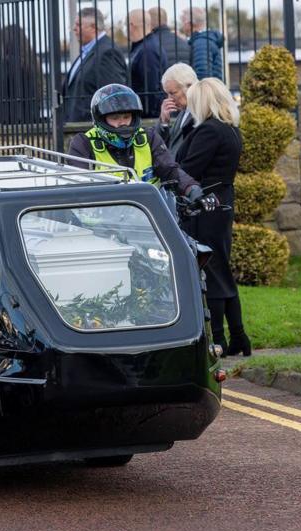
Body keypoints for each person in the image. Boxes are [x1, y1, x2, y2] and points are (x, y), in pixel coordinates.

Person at [173, 78, 248, 356]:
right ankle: (238, 336)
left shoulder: (208, 131)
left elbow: (188, 169)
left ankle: (220, 339)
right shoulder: (230, 129)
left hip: (205, 206)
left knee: (212, 271)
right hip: (222, 201)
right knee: (221, 269)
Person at [65, 84, 208, 207]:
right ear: (101, 118)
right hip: (103, 223)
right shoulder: (84, 143)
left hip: (150, 218)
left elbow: (170, 170)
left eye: (126, 117)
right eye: (115, 118)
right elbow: (78, 186)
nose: (122, 123)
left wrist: (192, 189)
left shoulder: (148, 137)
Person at [61, 7, 128, 123]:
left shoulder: (107, 52)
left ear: (93, 27)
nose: (74, 29)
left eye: (78, 25)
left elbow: (113, 96)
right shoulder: (88, 52)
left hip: (90, 126)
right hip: (77, 125)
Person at [0, 25, 44, 125]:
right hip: (30, 119)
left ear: (7, 43)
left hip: (8, 122)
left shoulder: (6, 64)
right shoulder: (33, 62)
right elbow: (40, 89)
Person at [128, 9, 167, 119]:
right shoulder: (146, 46)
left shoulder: (147, 50)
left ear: (132, 25)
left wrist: (146, 116)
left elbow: (151, 89)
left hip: (147, 117)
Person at [159, 63, 199, 155]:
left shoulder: (201, 112)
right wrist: (164, 122)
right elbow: (165, 146)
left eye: (172, 93)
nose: (169, 99)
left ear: (189, 87)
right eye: (167, 94)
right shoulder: (184, 110)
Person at [182, 7, 224, 80]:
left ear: (189, 24)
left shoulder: (201, 43)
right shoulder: (204, 40)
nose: (182, 26)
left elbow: (203, 74)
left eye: (183, 22)